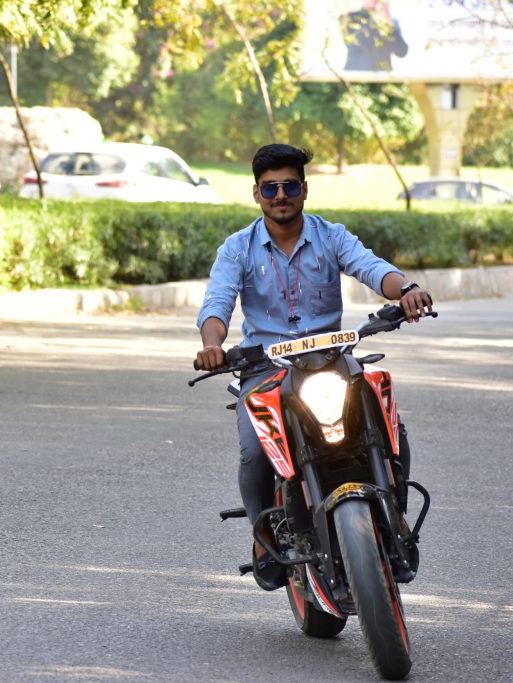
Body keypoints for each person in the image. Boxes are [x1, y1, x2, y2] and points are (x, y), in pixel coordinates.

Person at [195, 143, 433, 590]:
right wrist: (213, 345)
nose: (280, 195)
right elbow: (218, 302)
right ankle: (263, 538)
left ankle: (394, 516)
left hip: (332, 359)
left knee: (388, 423)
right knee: (253, 450)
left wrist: (407, 289)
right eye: (270, 188)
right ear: (256, 194)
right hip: (267, 370)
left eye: (289, 186)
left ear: (304, 190)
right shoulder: (238, 249)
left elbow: (371, 267)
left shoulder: (331, 236)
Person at [340, 0, 408, 71]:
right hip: (356, 75)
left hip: (383, 77)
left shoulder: (391, 21)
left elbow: (401, 52)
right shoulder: (350, 18)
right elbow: (361, 43)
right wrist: (375, 20)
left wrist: (388, 23)